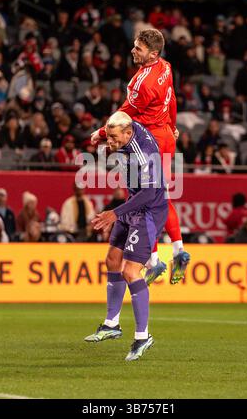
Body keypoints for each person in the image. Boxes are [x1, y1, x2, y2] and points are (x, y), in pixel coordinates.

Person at [91, 29, 190, 285]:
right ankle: (179, 250)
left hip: (147, 143)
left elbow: (125, 116)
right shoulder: (166, 67)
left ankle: (153, 261)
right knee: (162, 196)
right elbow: (171, 99)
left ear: (152, 53)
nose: (133, 51)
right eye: (134, 46)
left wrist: (102, 132)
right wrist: (172, 125)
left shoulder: (140, 84)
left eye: (138, 48)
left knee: (141, 198)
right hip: (166, 136)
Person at [85, 112, 168, 361]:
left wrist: (114, 213)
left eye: (113, 138)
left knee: (131, 271)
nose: (109, 143)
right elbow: (130, 111)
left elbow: (149, 193)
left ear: (128, 133)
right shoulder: (128, 129)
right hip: (132, 203)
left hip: (149, 210)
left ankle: (143, 337)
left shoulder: (142, 155)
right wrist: (100, 133)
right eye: (108, 137)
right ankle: (112, 324)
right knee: (112, 259)